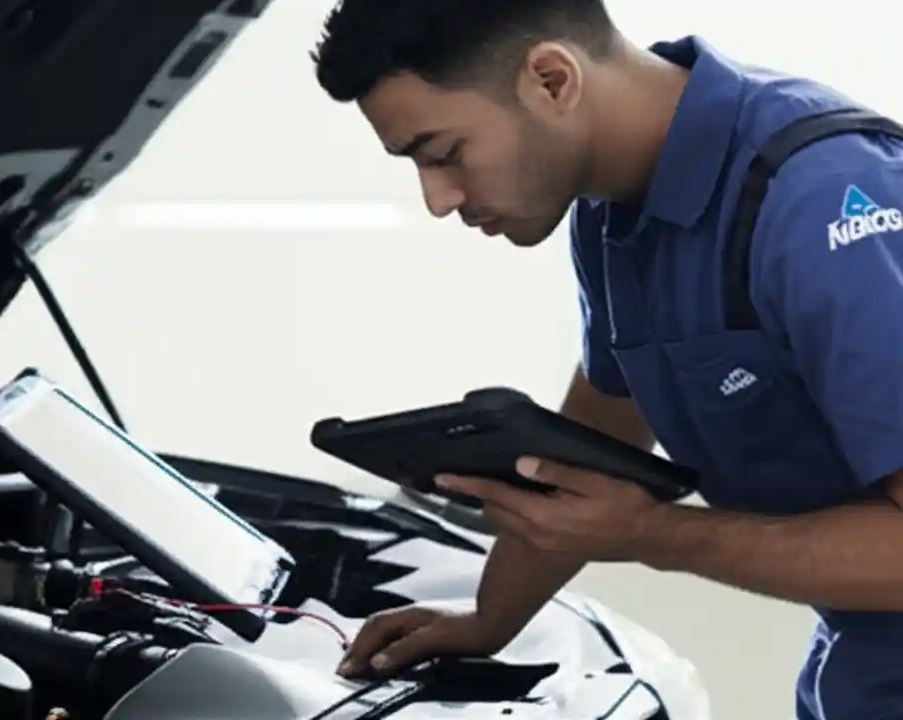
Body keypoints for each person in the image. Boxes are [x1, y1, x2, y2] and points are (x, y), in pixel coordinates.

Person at [309, 2, 903, 718]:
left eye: (443, 153)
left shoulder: (820, 202)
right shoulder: (609, 213)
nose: (438, 200)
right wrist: (487, 623)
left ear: (553, 80)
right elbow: (597, 450)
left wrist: (652, 535)